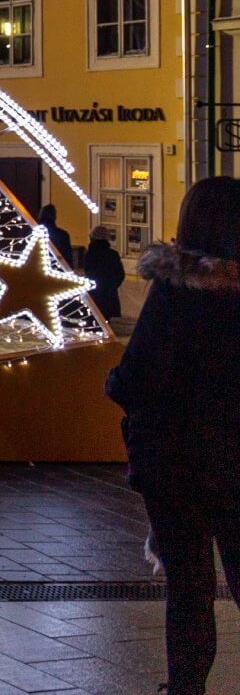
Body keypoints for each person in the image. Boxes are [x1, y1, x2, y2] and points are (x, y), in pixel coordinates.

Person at [106, 177, 240, 695]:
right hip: (235, 460)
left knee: (189, 588)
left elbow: (133, 377)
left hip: (175, 462)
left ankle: (186, 688)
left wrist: (116, 386)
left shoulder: (175, 294)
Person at [83, 225, 126, 322]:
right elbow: (120, 274)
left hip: (94, 292)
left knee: (93, 319)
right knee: (106, 319)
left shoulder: (89, 254)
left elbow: (87, 272)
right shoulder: (113, 254)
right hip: (109, 291)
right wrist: (113, 285)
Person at [38, 202, 75, 268]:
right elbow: (67, 256)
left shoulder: (32, 232)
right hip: (57, 268)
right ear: (54, 216)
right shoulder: (62, 235)